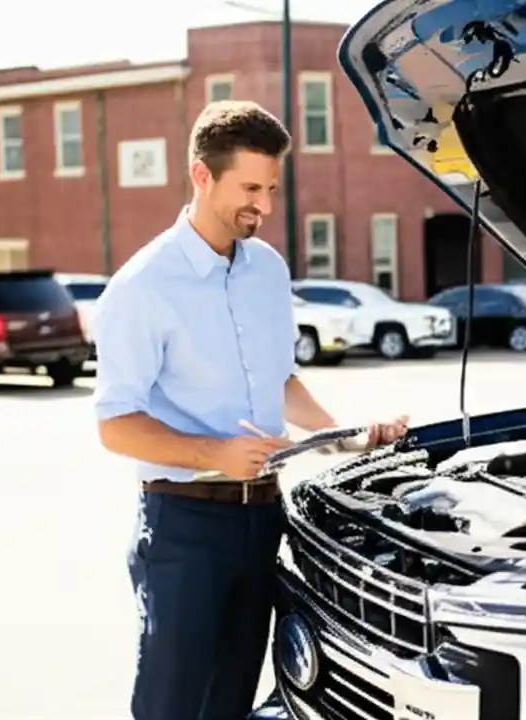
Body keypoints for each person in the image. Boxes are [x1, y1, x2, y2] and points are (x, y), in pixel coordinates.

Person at [92, 99, 408, 720]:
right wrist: (216, 454)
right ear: (201, 176)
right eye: (250, 188)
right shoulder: (142, 287)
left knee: (232, 703)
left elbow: (280, 378)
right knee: (171, 706)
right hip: (184, 529)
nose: (264, 205)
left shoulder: (267, 269)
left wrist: (339, 434)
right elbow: (115, 424)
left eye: (270, 188)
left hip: (262, 522)